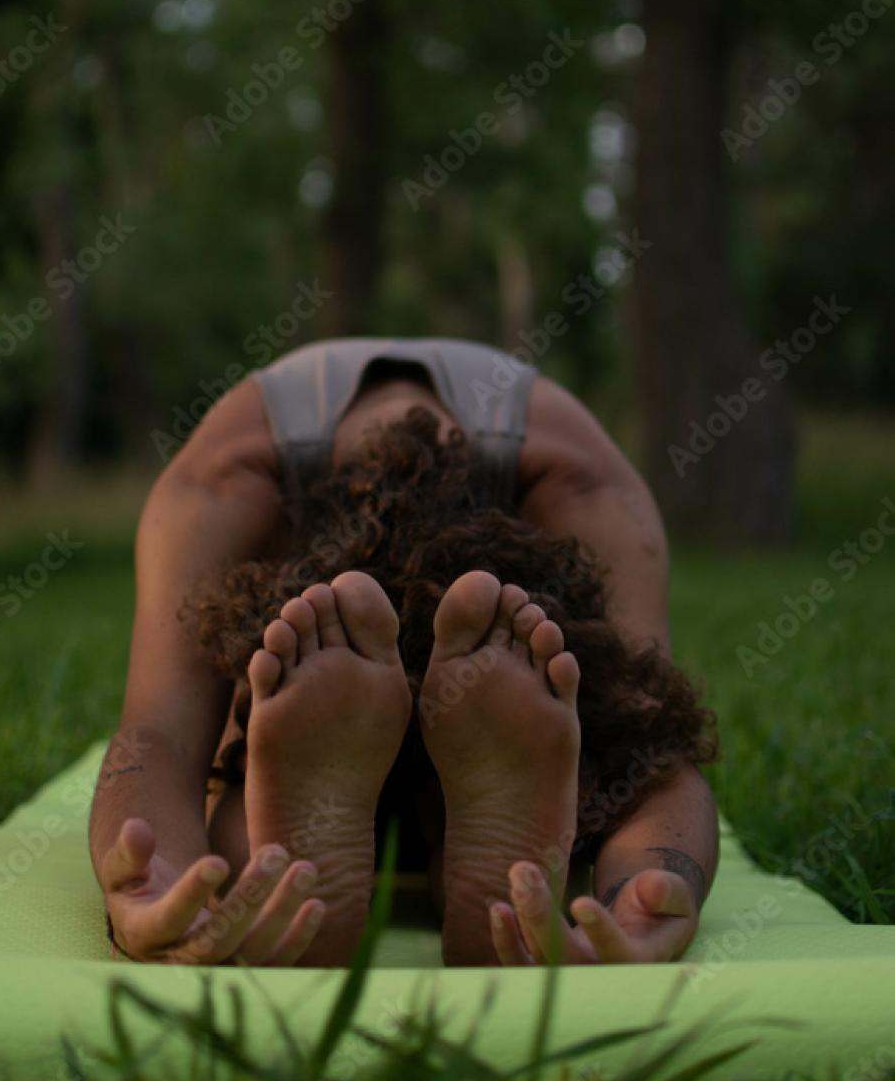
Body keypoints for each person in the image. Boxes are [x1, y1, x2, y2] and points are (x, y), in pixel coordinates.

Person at [90, 337, 718, 967]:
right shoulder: (225, 485)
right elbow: (654, 762)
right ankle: (469, 856)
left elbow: (156, 739)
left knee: (247, 745)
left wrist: (150, 878)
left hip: (429, 731)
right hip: (356, 730)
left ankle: (279, 864)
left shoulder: (580, 486)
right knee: (260, 710)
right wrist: (647, 890)